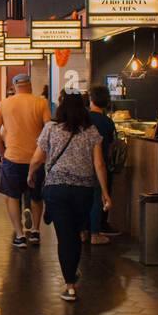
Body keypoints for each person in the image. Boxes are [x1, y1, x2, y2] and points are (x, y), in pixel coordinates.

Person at [26, 92, 111, 302]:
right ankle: (72, 273)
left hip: (56, 189)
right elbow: (99, 164)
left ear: (61, 108)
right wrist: (105, 193)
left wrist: (30, 174)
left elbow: (38, 158)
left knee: (65, 237)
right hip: (83, 190)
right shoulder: (91, 131)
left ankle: (70, 284)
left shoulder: (51, 129)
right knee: (76, 234)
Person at [0, 73, 51, 248]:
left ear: (14, 86)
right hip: (36, 158)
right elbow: (48, 128)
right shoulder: (41, 102)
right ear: (30, 85)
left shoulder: (5, 103)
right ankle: (36, 232)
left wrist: (2, 151)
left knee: (12, 197)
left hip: (13, 157)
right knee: (36, 196)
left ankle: (19, 235)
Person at [83, 86, 117, 245]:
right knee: (98, 198)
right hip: (100, 164)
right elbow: (110, 147)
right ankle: (95, 233)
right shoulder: (108, 122)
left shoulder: (83, 118)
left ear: (91, 99)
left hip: (82, 163)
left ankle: (83, 232)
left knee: (84, 198)